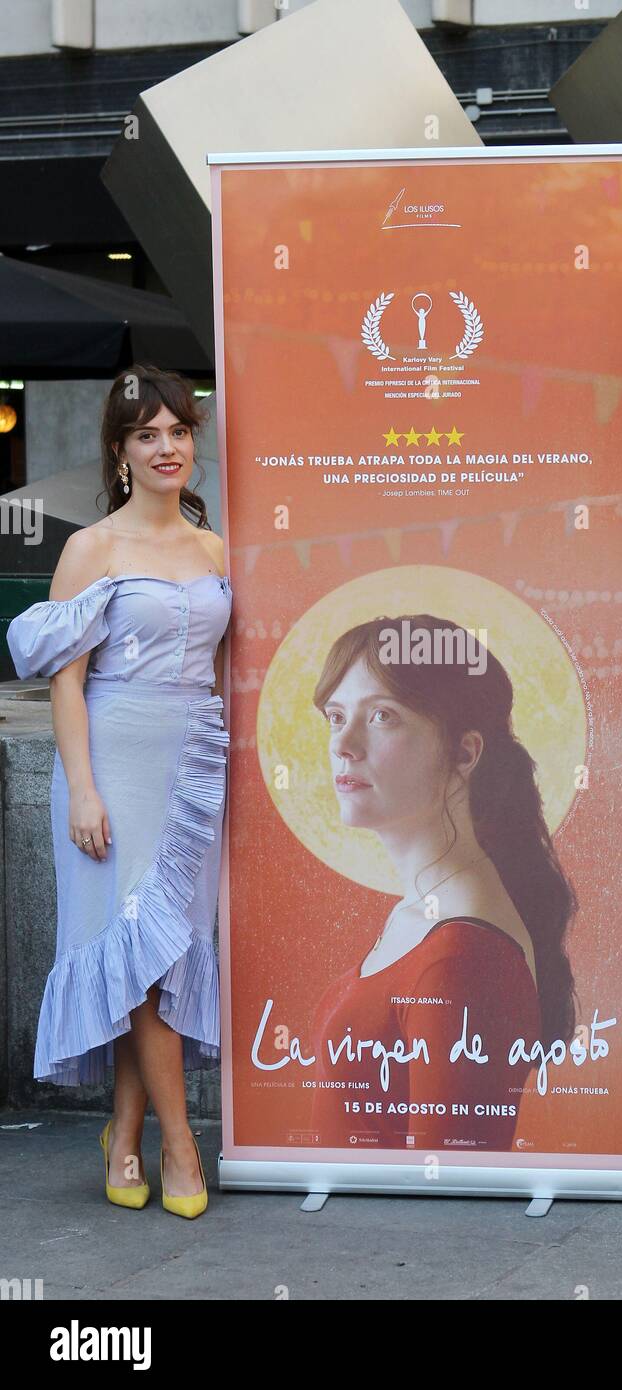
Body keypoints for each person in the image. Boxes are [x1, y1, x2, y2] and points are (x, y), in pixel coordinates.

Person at [6, 363, 232, 1219]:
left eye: (178, 431)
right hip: (113, 761)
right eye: (148, 434)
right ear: (120, 449)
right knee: (133, 958)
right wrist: (82, 790)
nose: (166, 447)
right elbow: (65, 681)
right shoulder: (90, 548)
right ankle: (180, 1148)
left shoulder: (213, 548)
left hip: (194, 766)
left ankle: (123, 1134)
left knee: (161, 958)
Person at [307, 614, 577, 1151]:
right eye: (336, 716)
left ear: (464, 752)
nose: (344, 744)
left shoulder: (462, 955)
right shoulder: (427, 913)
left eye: (382, 715)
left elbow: (451, 1177)